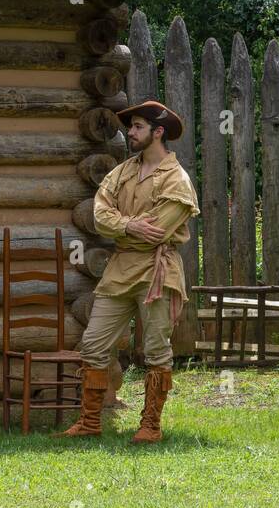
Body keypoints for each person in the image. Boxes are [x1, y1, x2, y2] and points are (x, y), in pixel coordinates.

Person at [59, 101, 199, 443]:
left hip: (157, 271)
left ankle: (150, 425)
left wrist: (122, 226)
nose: (131, 133)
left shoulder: (177, 180)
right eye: (131, 127)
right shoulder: (119, 173)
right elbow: (99, 216)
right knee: (93, 344)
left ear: (158, 132)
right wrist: (131, 226)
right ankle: (90, 420)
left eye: (137, 127)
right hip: (120, 269)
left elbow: (161, 230)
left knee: (155, 349)